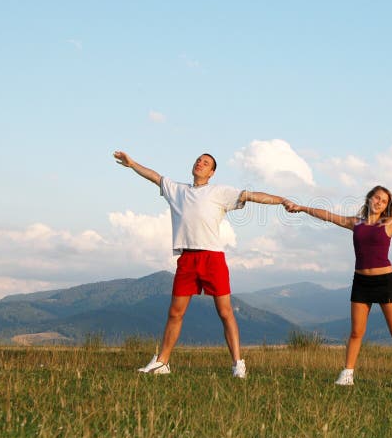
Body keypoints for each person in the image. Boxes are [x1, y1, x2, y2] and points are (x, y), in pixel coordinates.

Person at [113, 151, 289, 378]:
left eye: (206, 163)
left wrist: (281, 200)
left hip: (212, 258)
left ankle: (238, 364)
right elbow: (155, 177)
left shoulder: (220, 192)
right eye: (198, 160)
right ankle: (162, 362)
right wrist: (132, 164)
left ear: (212, 172)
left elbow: (252, 196)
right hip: (187, 259)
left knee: (225, 312)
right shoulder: (178, 190)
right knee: (175, 313)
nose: (200, 163)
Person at [284, 186, 392, 390]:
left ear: (387, 206)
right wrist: (301, 207)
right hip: (361, 282)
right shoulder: (356, 223)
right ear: (369, 198)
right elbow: (327, 216)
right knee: (356, 332)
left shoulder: (389, 223)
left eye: (384, 201)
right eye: (377, 198)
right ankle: (347, 374)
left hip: (385, 282)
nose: (379, 202)